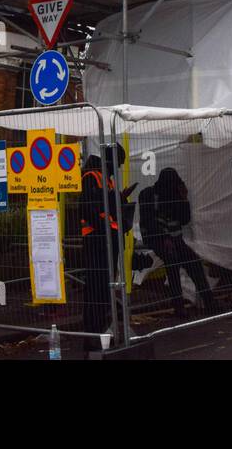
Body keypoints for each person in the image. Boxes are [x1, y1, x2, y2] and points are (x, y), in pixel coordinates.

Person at [139, 167, 218, 316]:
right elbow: (149, 222)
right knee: (172, 263)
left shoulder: (174, 194)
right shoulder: (148, 195)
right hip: (156, 238)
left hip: (174, 239)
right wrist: (164, 238)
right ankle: (179, 306)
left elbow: (184, 220)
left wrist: (183, 198)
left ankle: (209, 302)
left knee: (193, 263)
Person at [78, 144, 134, 342]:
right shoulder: (92, 177)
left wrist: (119, 198)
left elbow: (106, 206)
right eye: (118, 163)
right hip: (97, 240)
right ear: (109, 159)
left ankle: (102, 331)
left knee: (105, 288)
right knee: (96, 287)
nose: (118, 168)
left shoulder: (106, 179)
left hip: (107, 239)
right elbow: (89, 210)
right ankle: (93, 333)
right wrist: (108, 229)